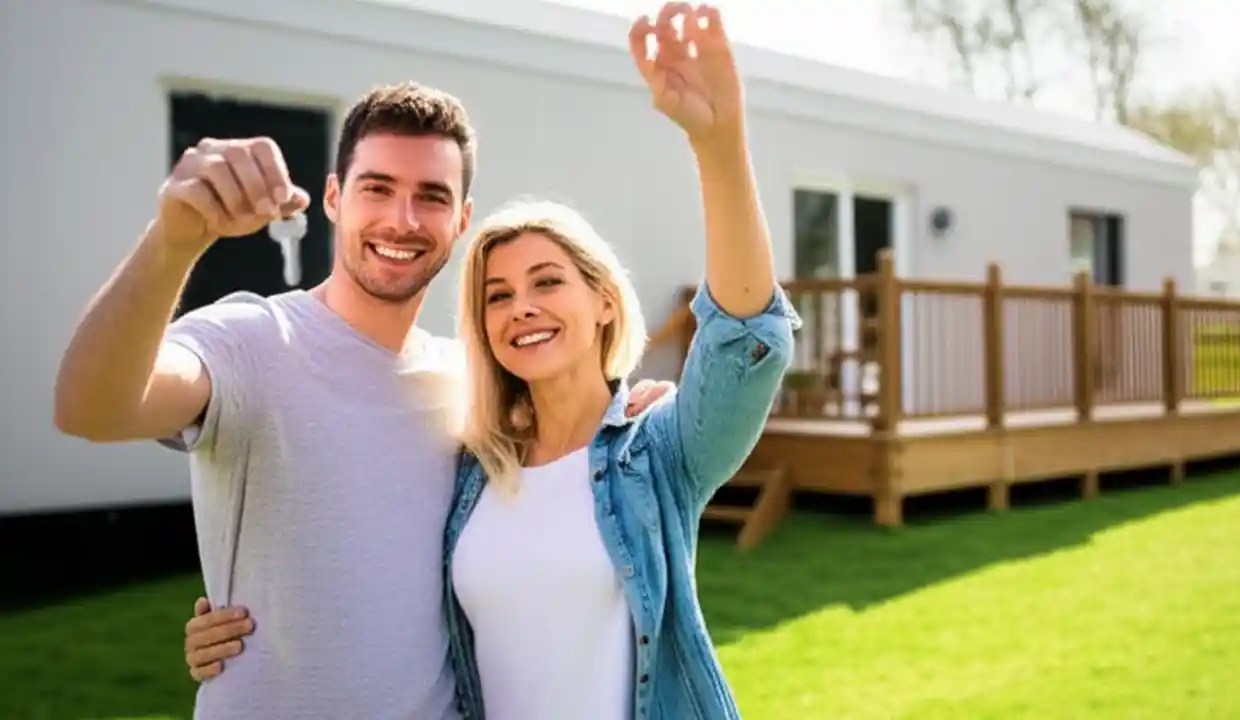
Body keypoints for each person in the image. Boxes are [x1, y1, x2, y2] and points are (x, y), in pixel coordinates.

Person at [184, 3, 800, 718]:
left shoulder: (658, 453)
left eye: (547, 282)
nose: (521, 308)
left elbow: (745, 342)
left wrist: (717, 144)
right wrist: (233, 626)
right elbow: (387, 597)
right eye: (497, 294)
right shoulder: (473, 461)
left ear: (604, 301)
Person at [52, 72, 671, 720]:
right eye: (378, 188)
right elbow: (90, 408)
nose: (402, 220)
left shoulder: (470, 382)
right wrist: (174, 241)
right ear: (333, 198)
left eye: (431, 196)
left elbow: (567, 447)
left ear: (461, 220)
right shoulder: (252, 340)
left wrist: (627, 411)